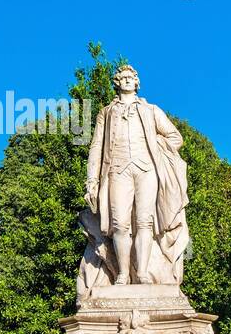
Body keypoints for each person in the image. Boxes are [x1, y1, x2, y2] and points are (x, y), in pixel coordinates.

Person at [80, 65, 189, 292]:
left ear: (137, 83)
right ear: (117, 82)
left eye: (132, 77)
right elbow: (97, 146)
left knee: (144, 222)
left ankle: (141, 273)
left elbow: (175, 137)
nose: (128, 80)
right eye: (124, 77)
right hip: (117, 170)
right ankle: (122, 274)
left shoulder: (151, 110)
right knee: (119, 223)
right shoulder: (106, 112)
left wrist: (157, 148)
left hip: (146, 169)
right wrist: (92, 180)